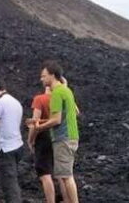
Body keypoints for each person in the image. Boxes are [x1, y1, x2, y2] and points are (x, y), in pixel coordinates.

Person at [34, 61, 80, 203]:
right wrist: (41, 122)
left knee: (66, 176)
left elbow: (56, 120)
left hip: (63, 137)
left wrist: (39, 127)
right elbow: (75, 112)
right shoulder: (66, 90)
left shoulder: (57, 93)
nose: (41, 79)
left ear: (52, 76)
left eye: (44, 76)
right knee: (65, 175)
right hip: (71, 136)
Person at [0, 79, 24, 203]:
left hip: (6, 148)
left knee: (9, 183)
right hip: (18, 145)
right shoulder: (16, 102)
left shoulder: (0, 102)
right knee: (13, 179)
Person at [27, 85, 56, 203]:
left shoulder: (40, 99)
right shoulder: (60, 99)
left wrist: (30, 139)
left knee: (45, 173)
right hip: (59, 136)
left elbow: (35, 122)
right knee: (59, 172)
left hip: (44, 138)